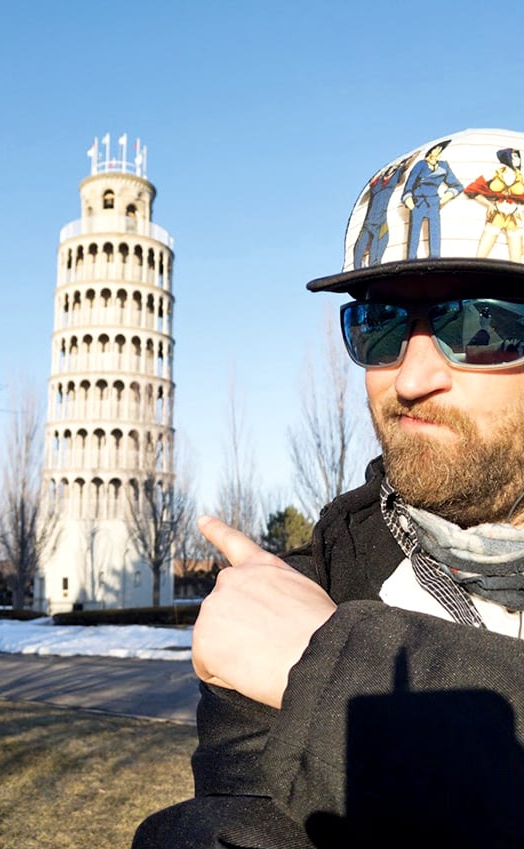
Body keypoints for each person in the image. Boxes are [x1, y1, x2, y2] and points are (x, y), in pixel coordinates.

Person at [132, 128, 524, 848]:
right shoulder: (307, 583)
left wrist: (326, 661)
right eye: (378, 325)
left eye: (481, 323)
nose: (410, 378)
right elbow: (245, 823)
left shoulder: (305, 624)